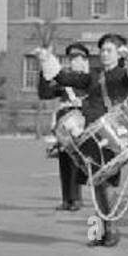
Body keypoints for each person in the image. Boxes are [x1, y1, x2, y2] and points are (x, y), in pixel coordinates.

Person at [37, 32, 128, 247]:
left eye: (109, 50)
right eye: (102, 50)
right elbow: (66, 78)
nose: (104, 54)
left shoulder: (122, 75)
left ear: (118, 54)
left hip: (112, 135)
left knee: (108, 185)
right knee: (96, 186)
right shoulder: (94, 76)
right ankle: (98, 232)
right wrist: (47, 59)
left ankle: (111, 229)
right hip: (91, 136)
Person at [41, 43, 90, 211]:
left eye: (78, 59)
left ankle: (76, 199)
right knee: (64, 162)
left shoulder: (88, 80)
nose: (74, 62)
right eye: (72, 59)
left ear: (85, 61)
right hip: (63, 125)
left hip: (80, 123)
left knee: (77, 161)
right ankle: (66, 199)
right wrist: (44, 67)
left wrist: (82, 103)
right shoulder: (65, 81)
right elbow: (45, 93)